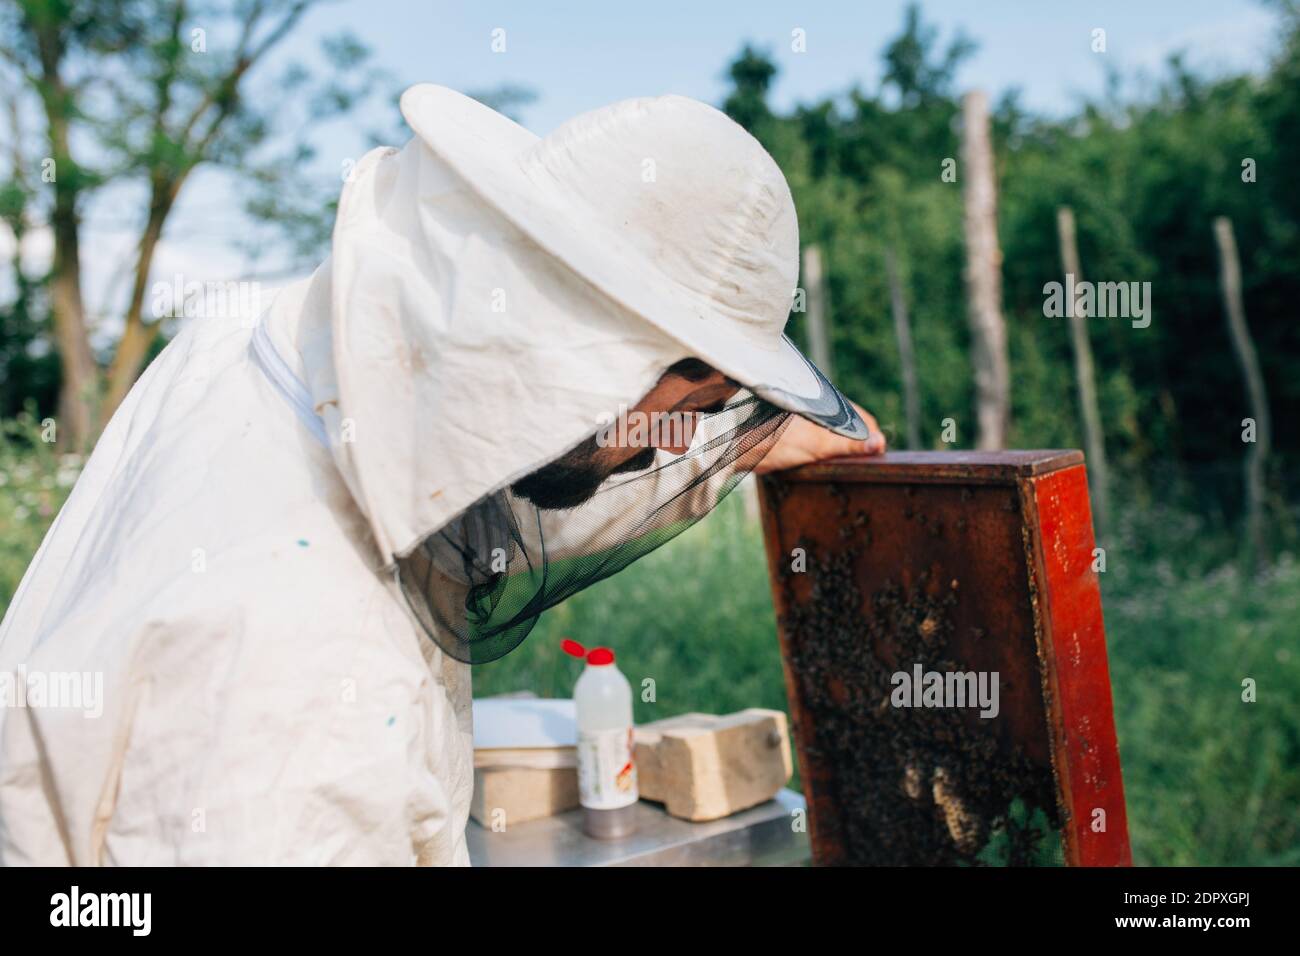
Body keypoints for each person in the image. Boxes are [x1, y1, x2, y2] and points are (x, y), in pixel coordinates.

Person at [0, 85, 884, 865]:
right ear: (603, 360)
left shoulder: (270, 349)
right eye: (693, 407)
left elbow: (494, 471)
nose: (668, 443)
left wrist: (725, 450)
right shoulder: (306, 688)